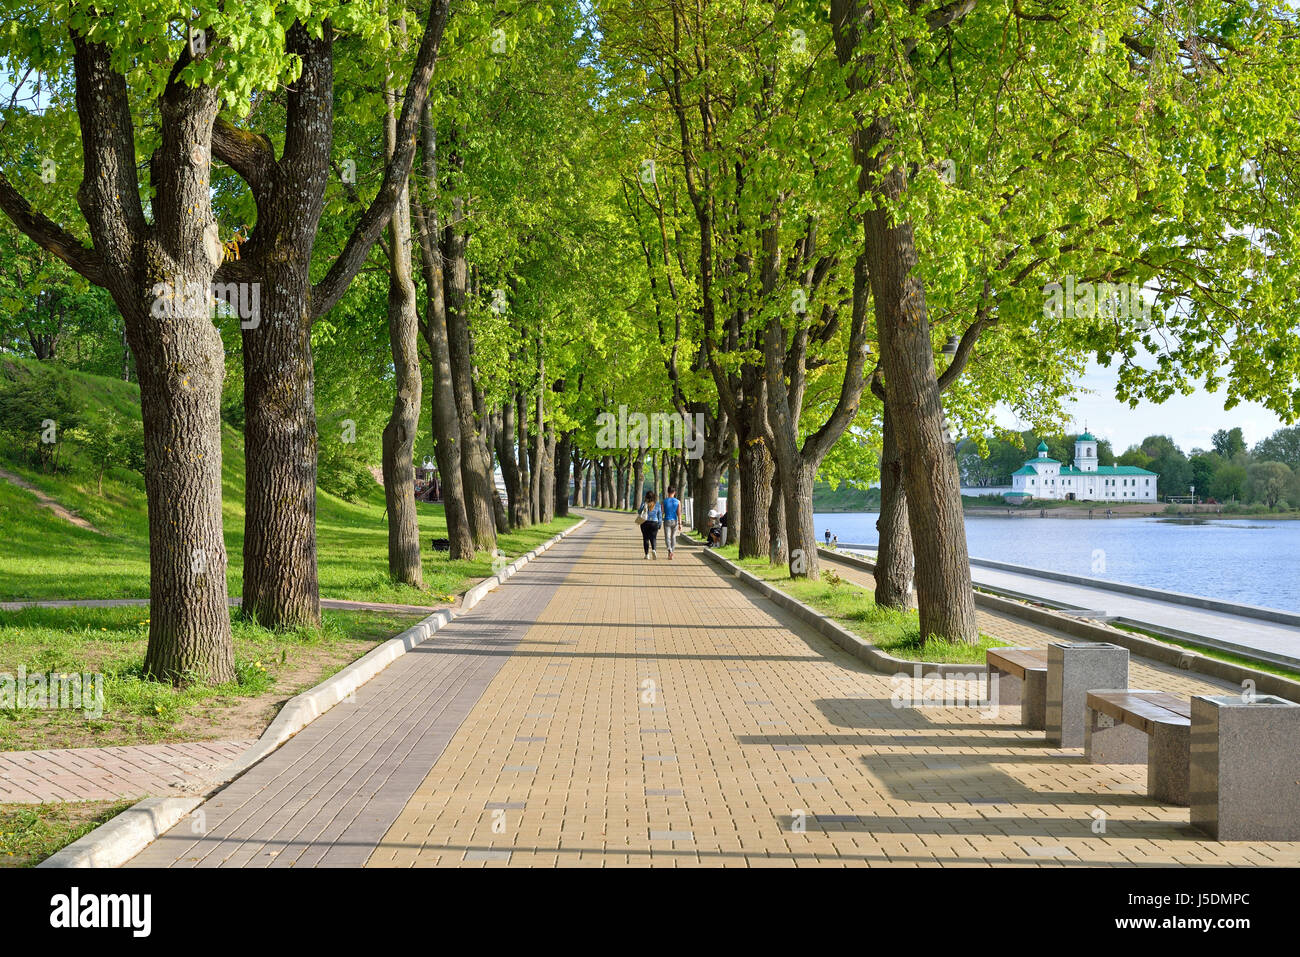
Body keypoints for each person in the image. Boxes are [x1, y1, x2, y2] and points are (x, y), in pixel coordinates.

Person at [637, 491, 662, 559]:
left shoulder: (644, 503)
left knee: (645, 538)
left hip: (645, 522)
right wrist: (660, 523)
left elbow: (639, 512)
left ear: (646, 497)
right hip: (654, 523)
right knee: (653, 538)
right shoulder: (657, 504)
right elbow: (660, 515)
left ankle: (647, 554)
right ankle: (654, 550)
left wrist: (643, 503)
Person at [662, 486, 681, 559]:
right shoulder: (678, 502)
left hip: (666, 520)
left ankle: (669, 550)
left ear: (668, 492)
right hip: (675, 521)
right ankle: (672, 551)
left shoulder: (664, 501)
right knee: (673, 537)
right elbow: (679, 513)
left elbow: (662, 512)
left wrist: (659, 521)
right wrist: (680, 524)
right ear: (674, 492)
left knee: (667, 537)